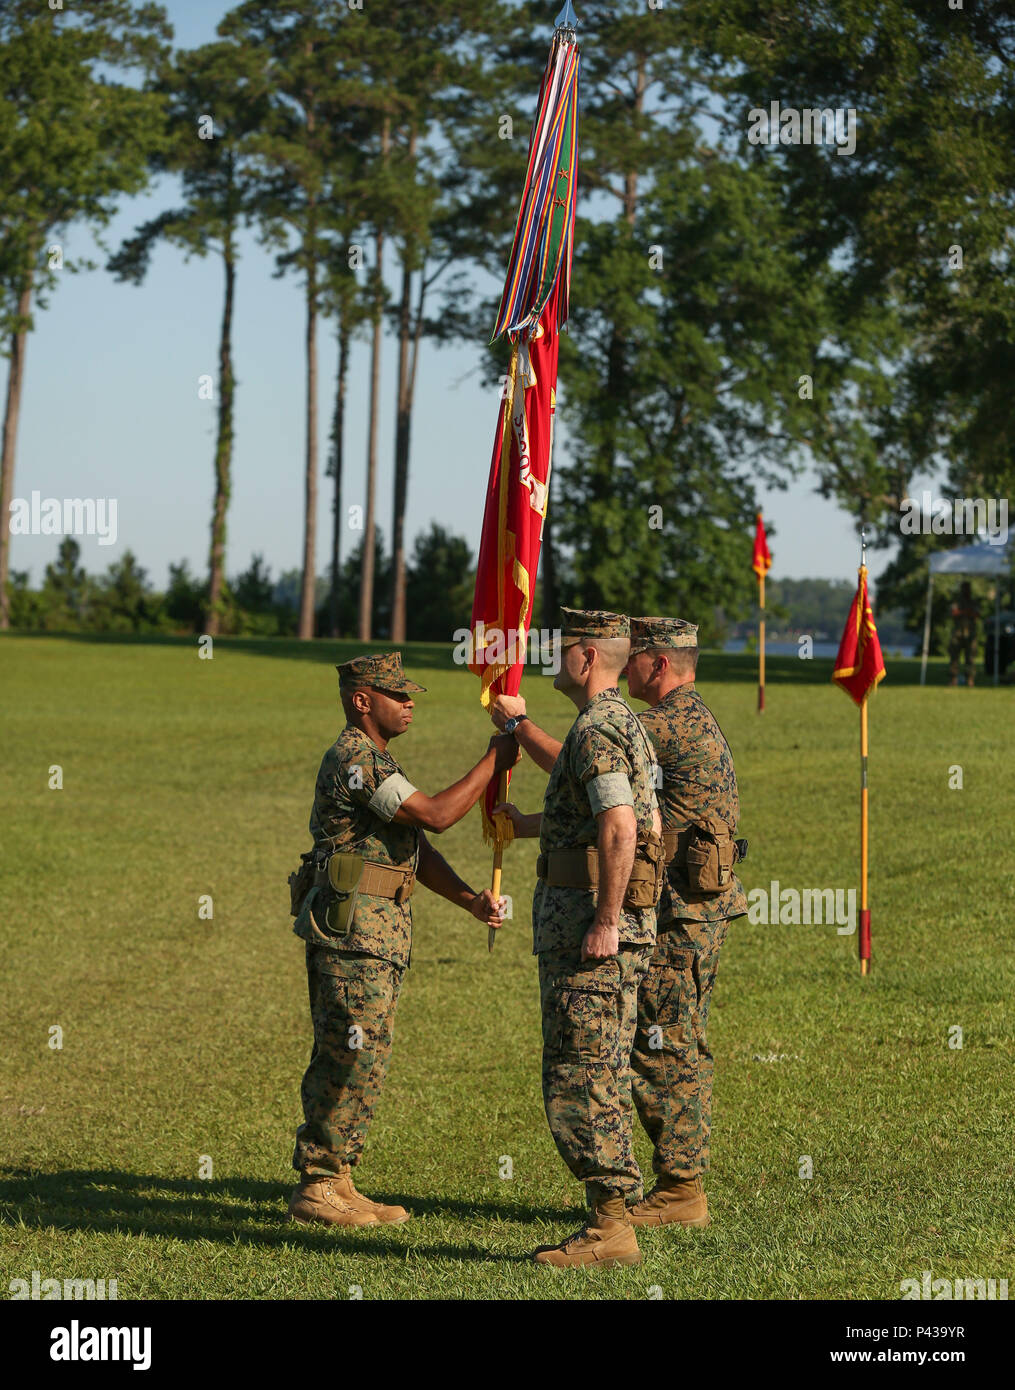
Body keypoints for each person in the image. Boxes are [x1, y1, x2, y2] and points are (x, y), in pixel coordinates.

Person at [287, 652, 518, 1228]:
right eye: (398, 694)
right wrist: (494, 759)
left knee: (366, 1056)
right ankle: (318, 1184)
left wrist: (469, 900)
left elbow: (416, 847)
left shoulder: (378, 758)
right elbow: (437, 815)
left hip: (376, 934)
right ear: (362, 701)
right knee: (347, 1052)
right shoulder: (354, 760)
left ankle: (338, 1177)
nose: (410, 703)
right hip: (352, 936)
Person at [491, 610, 662, 1269]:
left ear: (586, 659)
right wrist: (530, 823)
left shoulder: (598, 727)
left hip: (592, 932)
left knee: (580, 1074)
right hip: (605, 925)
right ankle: (609, 1218)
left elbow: (619, 827)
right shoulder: (617, 722)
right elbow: (593, 806)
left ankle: (610, 1227)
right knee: (598, 1066)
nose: (548, 657)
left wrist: (604, 921)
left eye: (558, 650)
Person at [623, 616, 747, 1228]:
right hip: (699, 911)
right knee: (677, 1040)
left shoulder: (666, 723)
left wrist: (516, 724)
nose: (623, 667)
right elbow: (629, 812)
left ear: (659, 664)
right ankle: (680, 1184)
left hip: (681, 917)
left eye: (632, 656)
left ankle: (679, 1191)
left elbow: (584, 758)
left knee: (664, 1043)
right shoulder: (692, 715)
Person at [949, 581, 979, 687]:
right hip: (957, 633)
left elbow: (976, 614)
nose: (966, 591)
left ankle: (970, 679)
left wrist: (963, 612)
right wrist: (966, 612)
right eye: (964, 588)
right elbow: (954, 613)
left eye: (967, 588)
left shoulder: (973, 602)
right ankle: (953, 679)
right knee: (954, 657)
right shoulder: (957, 601)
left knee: (970, 658)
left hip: (970, 634)